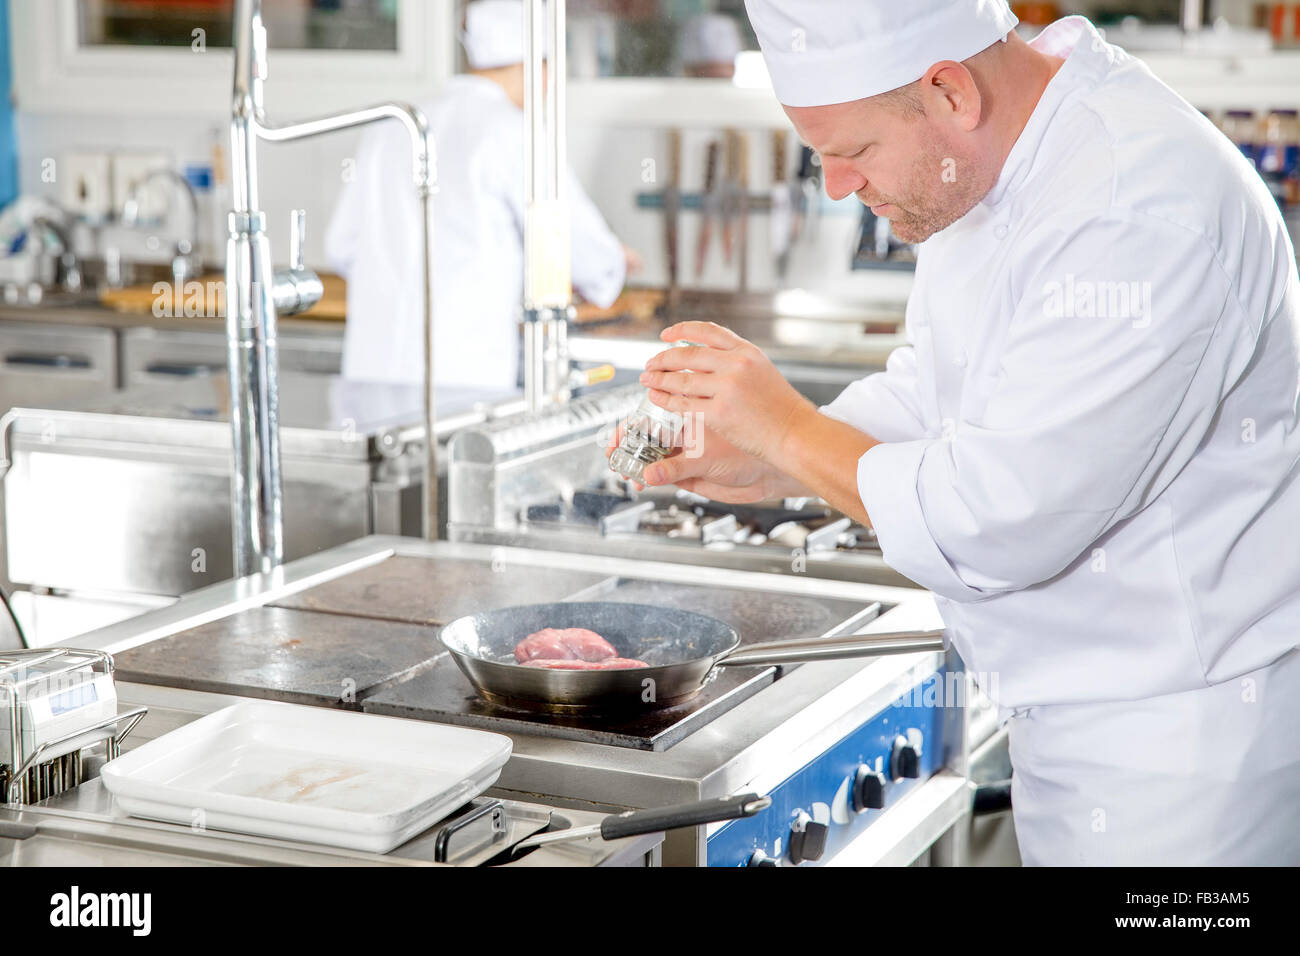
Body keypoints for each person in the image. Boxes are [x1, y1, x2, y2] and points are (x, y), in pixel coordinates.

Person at [631, 0, 1300, 865]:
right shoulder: (999, 167)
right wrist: (771, 458)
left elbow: (1003, 515)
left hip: (1185, 765)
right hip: (1082, 731)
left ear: (949, 91)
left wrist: (791, 430)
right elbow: (943, 394)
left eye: (853, 151)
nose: (837, 185)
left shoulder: (1137, 206)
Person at [326, 0, 631, 389]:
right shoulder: (514, 133)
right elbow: (591, 261)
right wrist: (614, 259)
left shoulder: (393, 126)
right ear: (539, 67)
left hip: (371, 374)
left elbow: (343, 246)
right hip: (462, 382)